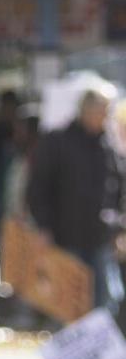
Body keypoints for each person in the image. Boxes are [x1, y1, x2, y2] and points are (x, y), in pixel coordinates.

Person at [27, 79, 125, 316]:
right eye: (102, 111)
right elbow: (38, 187)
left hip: (101, 236)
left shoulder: (109, 145)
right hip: (66, 236)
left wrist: (120, 229)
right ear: (86, 110)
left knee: (107, 300)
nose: (106, 117)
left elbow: (119, 189)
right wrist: (43, 226)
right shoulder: (58, 141)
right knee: (70, 303)